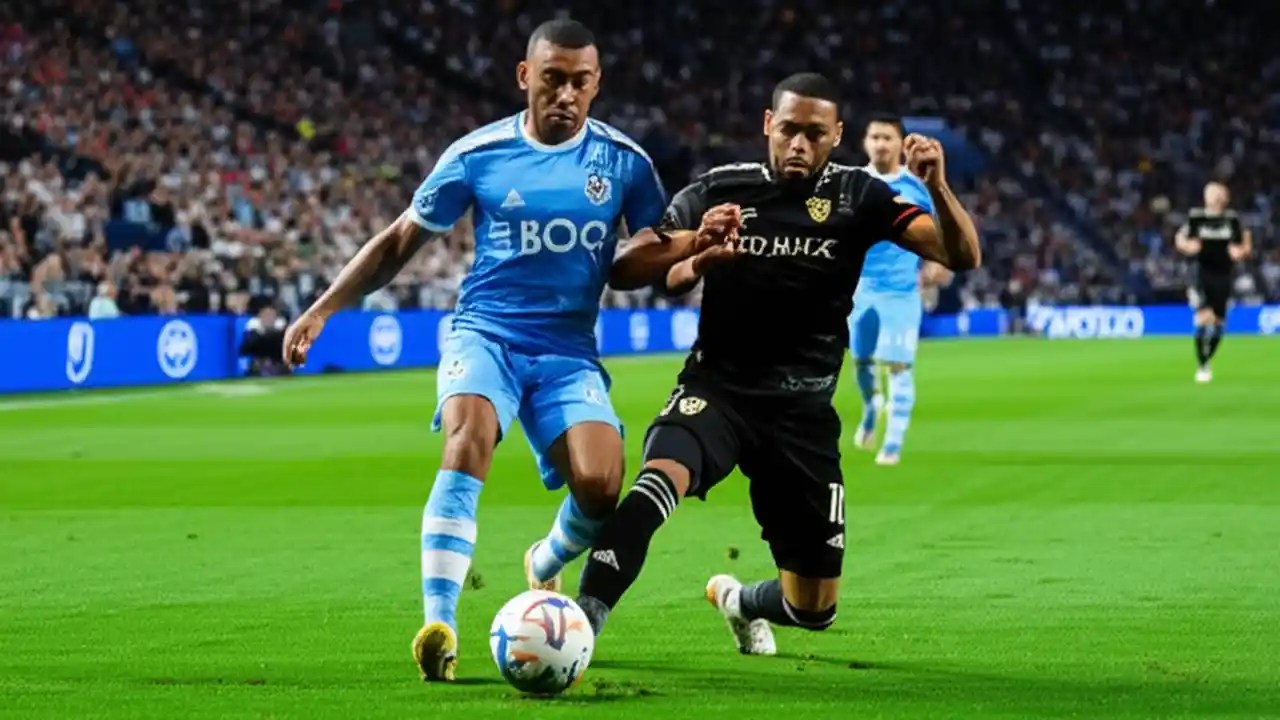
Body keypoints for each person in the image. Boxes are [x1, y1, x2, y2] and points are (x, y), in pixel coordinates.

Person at [281, 19, 674, 682]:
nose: (566, 95)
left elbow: (648, 256)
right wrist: (324, 308)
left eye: (581, 82)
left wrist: (696, 248)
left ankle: (545, 560)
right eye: (552, 79)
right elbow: (399, 241)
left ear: (596, 84)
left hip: (568, 351)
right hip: (485, 334)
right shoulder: (478, 154)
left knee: (603, 484)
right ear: (526, 76)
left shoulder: (626, 164)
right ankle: (441, 625)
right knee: (468, 440)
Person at [571, 72, 980, 656]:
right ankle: (581, 629)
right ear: (769, 124)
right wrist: (695, 242)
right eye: (788, 130)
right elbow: (629, 265)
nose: (799, 145)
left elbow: (960, 255)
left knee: (812, 610)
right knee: (656, 484)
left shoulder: (859, 196)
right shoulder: (721, 188)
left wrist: (937, 188)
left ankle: (737, 602)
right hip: (719, 389)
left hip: (802, 412)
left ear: (836, 136)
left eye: (815, 134)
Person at [850, 114, 950, 466]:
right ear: (865, 142)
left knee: (899, 366)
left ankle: (892, 443)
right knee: (861, 363)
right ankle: (870, 408)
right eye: (874, 137)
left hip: (903, 292)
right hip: (859, 290)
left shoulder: (917, 186)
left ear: (899, 143)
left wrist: (937, 264)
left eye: (887, 138)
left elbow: (944, 231)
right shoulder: (851, 183)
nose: (880, 144)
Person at [1175, 181, 1251, 383]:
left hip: (1224, 274)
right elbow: (1180, 237)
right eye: (1214, 195)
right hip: (1201, 272)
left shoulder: (1231, 220)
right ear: (1207, 198)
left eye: (1221, 195)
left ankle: (1206, 359)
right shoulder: (1198, 218)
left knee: (1219, 323)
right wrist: (1187, 246)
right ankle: (1202, 366)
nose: (1218, 199)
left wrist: (1241, 251)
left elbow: (1245, 242)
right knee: (1203, 317)